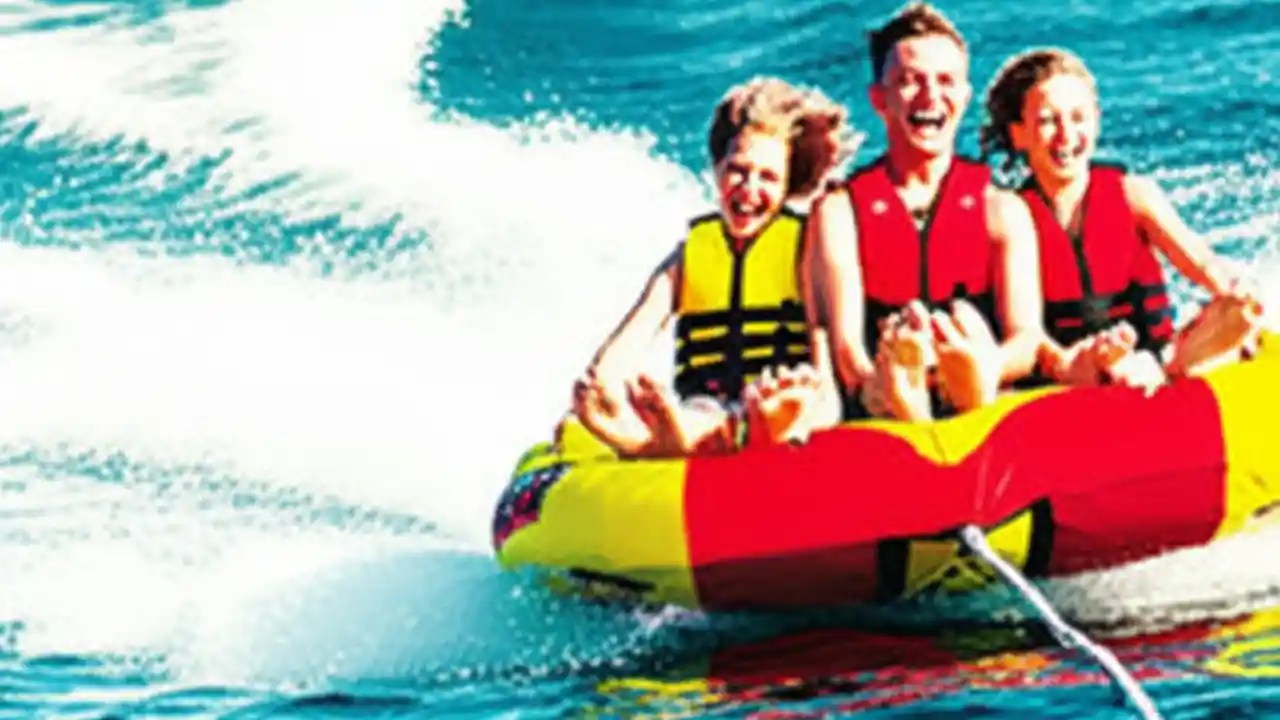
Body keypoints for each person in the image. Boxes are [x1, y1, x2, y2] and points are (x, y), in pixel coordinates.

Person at [566, 77, 855, 457]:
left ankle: (665, 442)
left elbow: (821, 344)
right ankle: (666, 436)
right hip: (707, 405)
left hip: (780, 390)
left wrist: (827, 406)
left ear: (787, 186)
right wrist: (600, 385)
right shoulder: (690, 255)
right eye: (738, 169)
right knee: (701, 414)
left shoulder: (804, 245)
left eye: (768, 177)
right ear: (717, 169)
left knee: (786, 403)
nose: (749, 189)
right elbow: (633, 334)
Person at [804, 2, 1044, 423]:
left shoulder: (1004, 209)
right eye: (909, 81)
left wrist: (968, 369)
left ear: (965, 98)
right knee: (898, 358)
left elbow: (1024, 342)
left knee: (965, 329)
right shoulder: (839, 213)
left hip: (979, 379)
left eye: (946, 81)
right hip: (884, 390)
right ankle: (905, 395)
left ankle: (960, 384)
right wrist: (892, 378)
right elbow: (847, 354)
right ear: (880, 100)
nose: (931, 96)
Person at [979, 47, 1265, 389]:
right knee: (1111, 369)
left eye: (1078, 117)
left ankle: (1175, 369)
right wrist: (1067, 364)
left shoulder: (1134, 195)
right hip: (1070, 369)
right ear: (1018, 134)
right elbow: (1024, 331)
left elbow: (1203, 265)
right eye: (1047, 120)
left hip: (1160, 357)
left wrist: (1234, 292)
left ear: (1096, 121)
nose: (1066, 134)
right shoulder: (1012, 216)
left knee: (1240, 312)